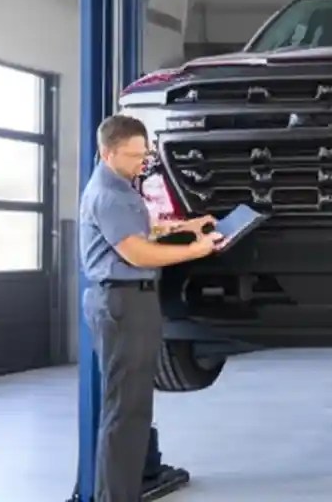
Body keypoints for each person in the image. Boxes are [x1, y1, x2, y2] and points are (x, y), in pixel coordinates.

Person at [79, 114, 221, 501]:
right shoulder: (109, 193)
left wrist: (183, 227)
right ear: (108, 153)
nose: (142, 163)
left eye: (145, 154)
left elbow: (139, 228)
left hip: (127, 300)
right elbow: (136, 252)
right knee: (125, 410)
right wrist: (196, 250)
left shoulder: (120, 187)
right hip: (122, 301)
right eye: (133, 156)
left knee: (132, 406)